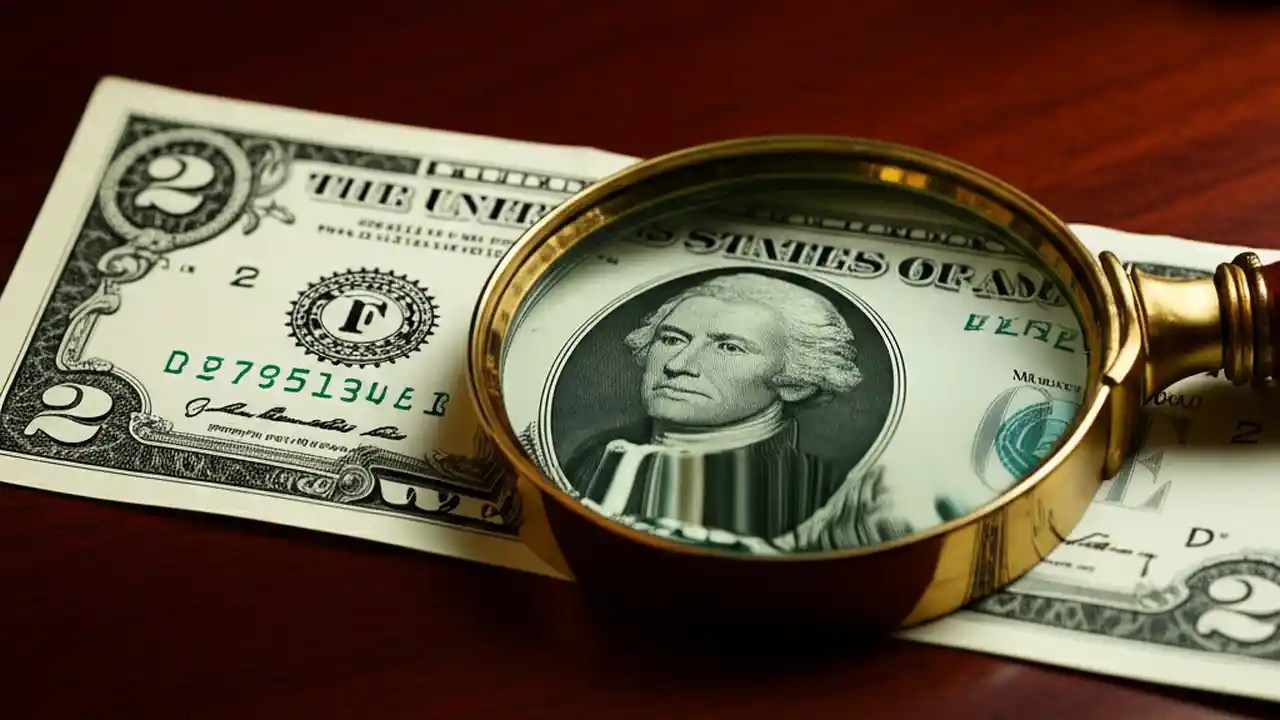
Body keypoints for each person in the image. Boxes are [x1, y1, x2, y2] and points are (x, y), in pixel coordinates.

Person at [542, 271, 903, 553]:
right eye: (672, 340)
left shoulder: (821, 496)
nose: (679, 364)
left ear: (796, 382)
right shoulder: (591, 455)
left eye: (729, 348)